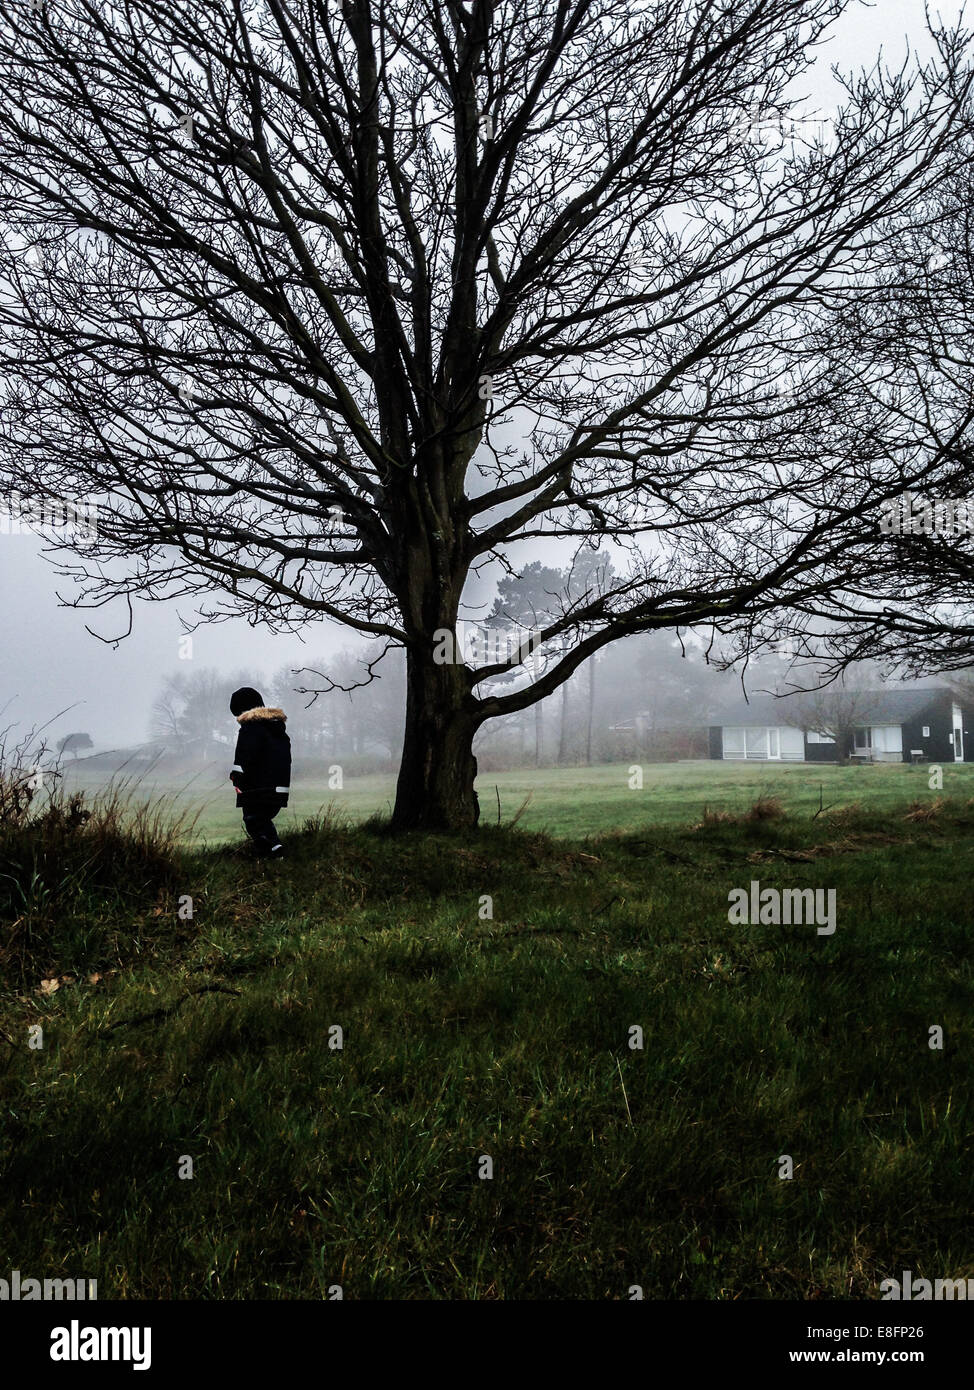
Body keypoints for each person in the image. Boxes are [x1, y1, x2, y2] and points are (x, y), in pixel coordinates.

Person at [229, 686, 291, 858]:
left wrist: (236, 778)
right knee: (262, 820)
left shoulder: (250, 729)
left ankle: (274, 851)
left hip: (257, 788)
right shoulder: (278, 730)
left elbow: (244, 757)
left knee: (252, 819)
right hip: (279, 789)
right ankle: (269, 853)